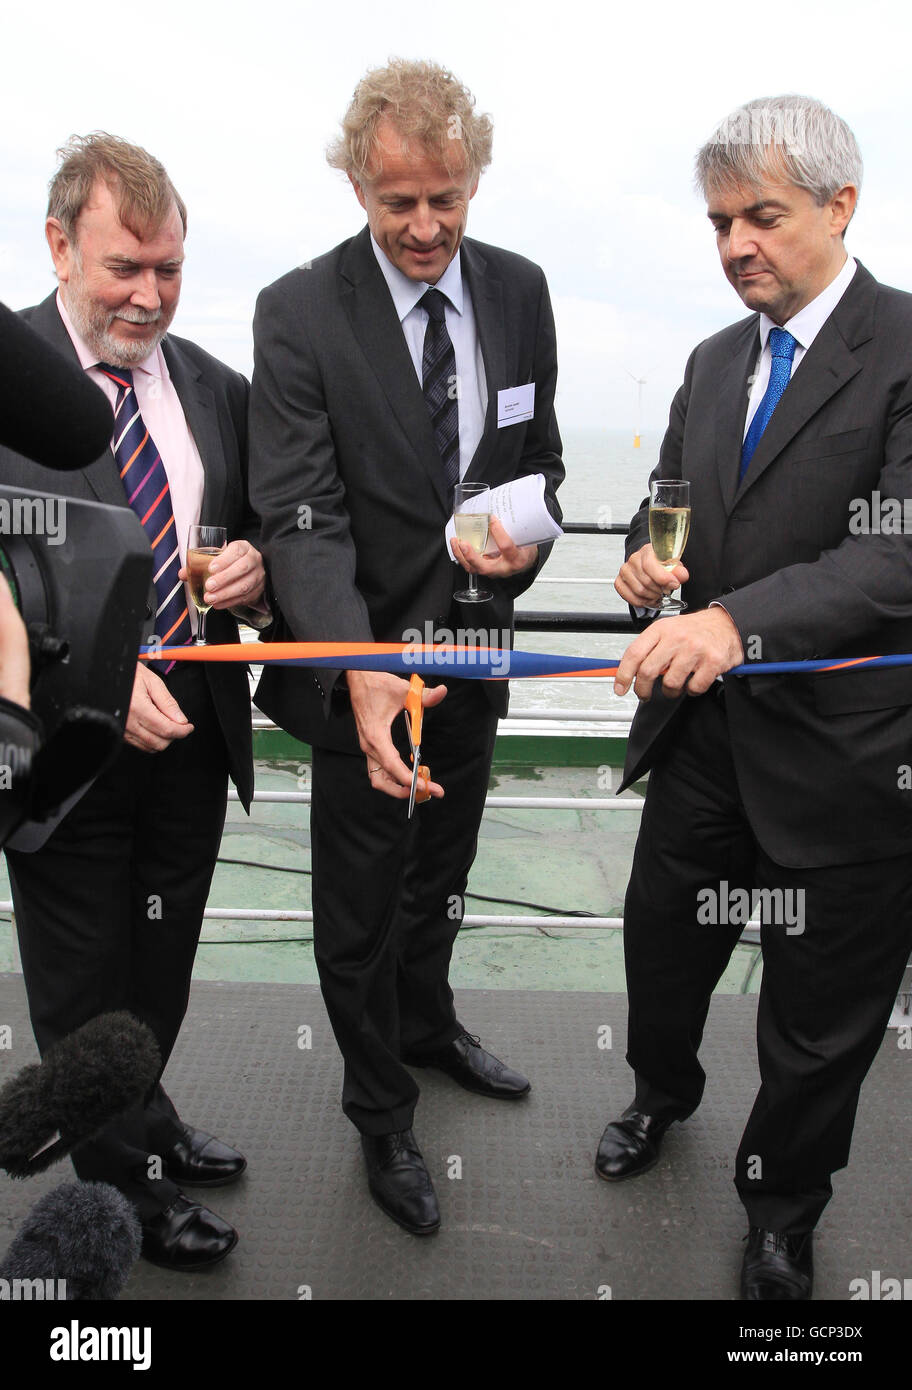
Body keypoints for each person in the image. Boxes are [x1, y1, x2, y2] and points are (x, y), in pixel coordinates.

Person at [597, 94, 912, 1300]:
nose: (737, 245)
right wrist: (642, 563)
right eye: (722, 221)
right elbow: (669, 506)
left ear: (841, 205)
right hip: (702, 747)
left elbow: (894, 555)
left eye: (763, 217)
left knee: (820, 1020)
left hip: (848, 765)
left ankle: (781, 1211)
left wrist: (734, 620)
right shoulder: (711, 358)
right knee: (661, 955)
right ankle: (658, 1094)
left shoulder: (904, 347)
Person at [250, 59, 563, 1236]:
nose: (424, 227)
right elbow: (298, 515)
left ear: (472, 177)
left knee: (443, 873)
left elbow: (540, 471)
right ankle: (380, 1111)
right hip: (362, 677)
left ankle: (425, 1026)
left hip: (477, 657)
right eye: (397, 203)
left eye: (445, 198)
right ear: (355, 183)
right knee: (360, 904)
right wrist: (358, 661)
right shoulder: (296, 309)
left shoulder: (524, 289)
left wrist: (517, 546)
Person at [0, 133, 266, 1271]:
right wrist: (98, 680)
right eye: (124, 268)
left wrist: (252, 563)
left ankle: (145, 1128)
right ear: (59, 245)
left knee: (158, 973)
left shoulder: (214, 384)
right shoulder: (8, 373)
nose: (150, 296)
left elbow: (251, 526)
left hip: (194, 745)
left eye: (169, 269)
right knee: (82, 991)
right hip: (60, 757)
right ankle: (132, 1204)